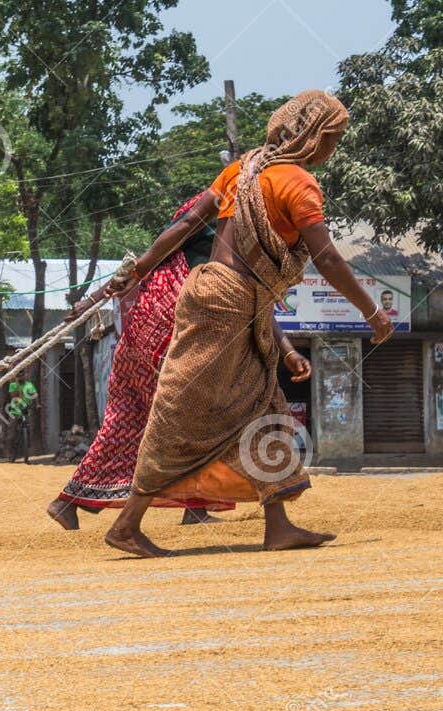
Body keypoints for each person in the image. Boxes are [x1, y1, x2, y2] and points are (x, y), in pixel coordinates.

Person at [101, 90, 393, 558]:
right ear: (312, 136)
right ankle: (127, 524)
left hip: (223, 296)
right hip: (227, 303)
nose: (331, 148)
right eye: (332, 138)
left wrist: (139, 269)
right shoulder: (298, 184)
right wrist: (371, 310)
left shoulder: (242, 171)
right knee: (182, 407)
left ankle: (278, 524)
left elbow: (185, 227)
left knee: (266, 406)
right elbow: (327, 258)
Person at [47, 196, 307, 529]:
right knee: (194, 414)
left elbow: (252, 295)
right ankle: (143, 516)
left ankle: (73, 501)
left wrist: (286, 350)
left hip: (149, 322)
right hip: (175, 325)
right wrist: (95, 298)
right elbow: (178, 247)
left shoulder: (239, 222)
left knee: (135, 417)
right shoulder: (230, 210)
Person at [6, 372, 39, 462]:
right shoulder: (13, 385)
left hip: (25, 410)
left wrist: (37, 404)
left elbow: (35, 394)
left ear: (25, 375)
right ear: (16, 377)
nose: (21, 377)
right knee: (11, 434)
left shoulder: (29, 385)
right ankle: (9, 454)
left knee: (28, 430)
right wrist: (16, 383)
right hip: (15, 411)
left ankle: (26, 452)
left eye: (22, 375)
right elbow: (13, 396)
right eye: (18, 376)